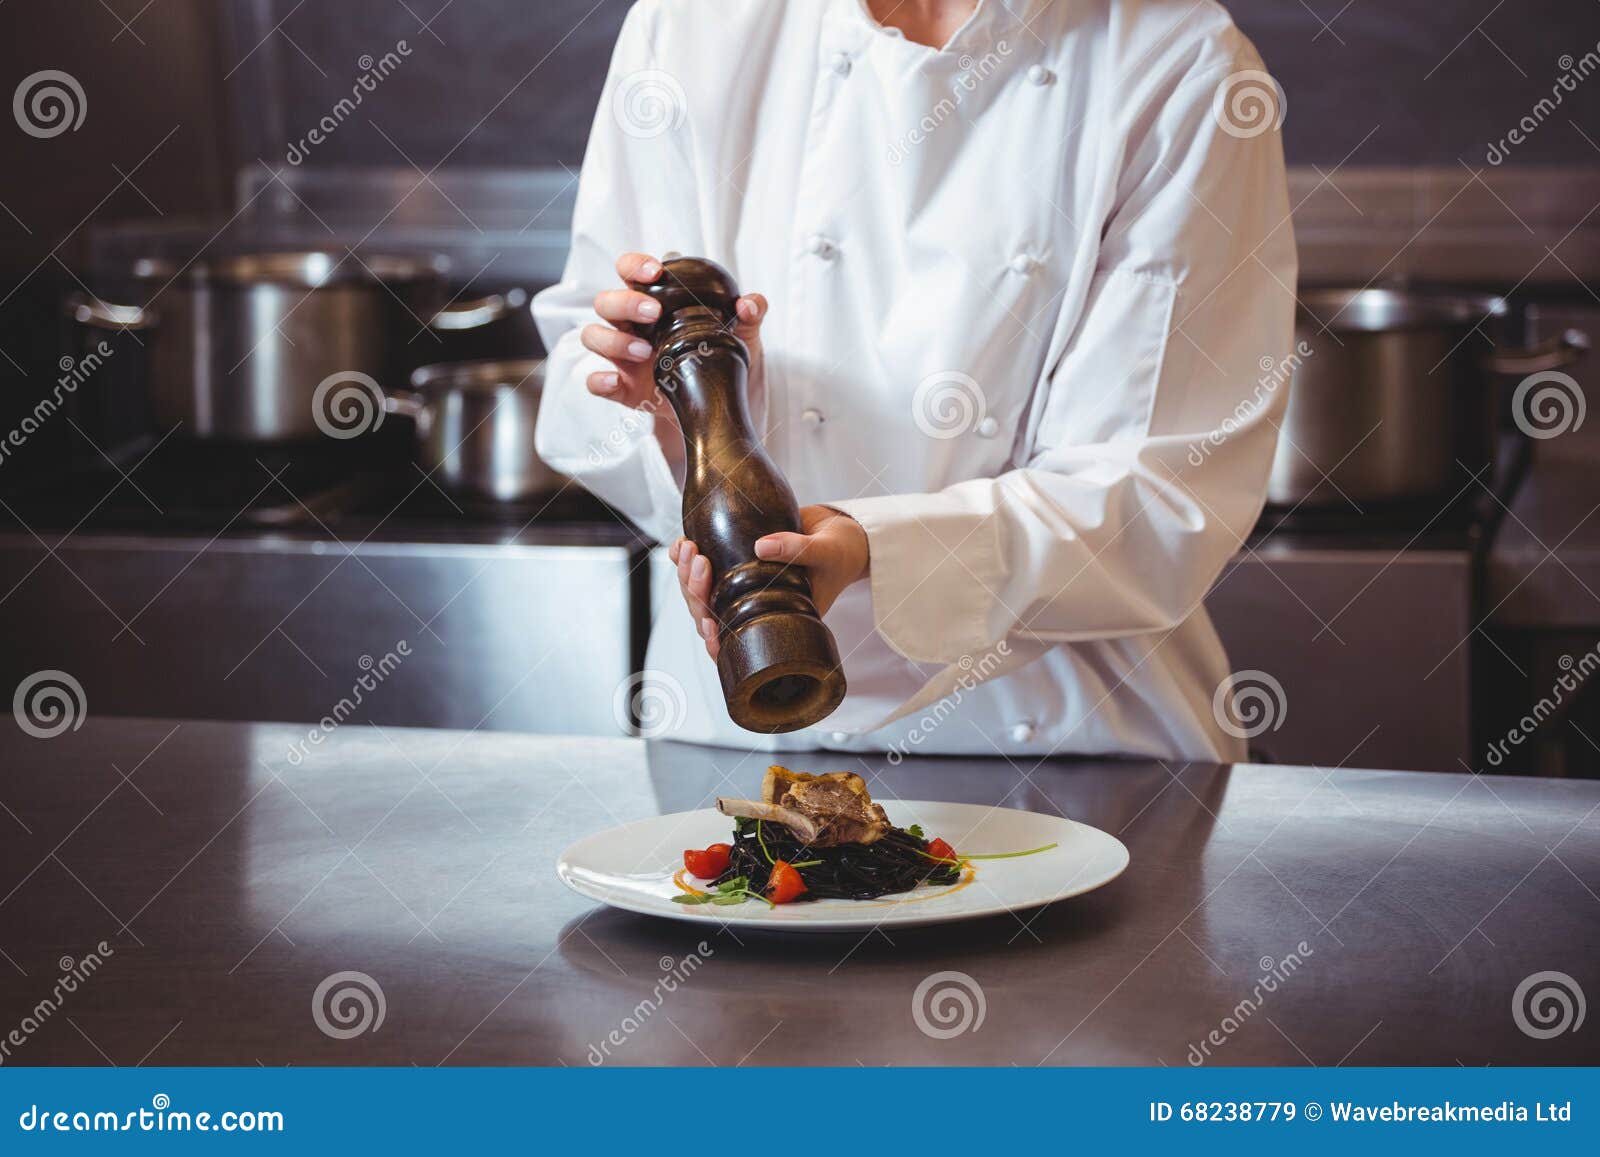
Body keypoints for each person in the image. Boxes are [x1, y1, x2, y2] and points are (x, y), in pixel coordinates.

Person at [532, 0, 1296, 761]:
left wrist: (877, 549)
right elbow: (576, 385)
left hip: (1071, 749)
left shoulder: (1179, 61)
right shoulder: (691, 25)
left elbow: (1159, 496)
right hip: (736, 729)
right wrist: (678, 425)